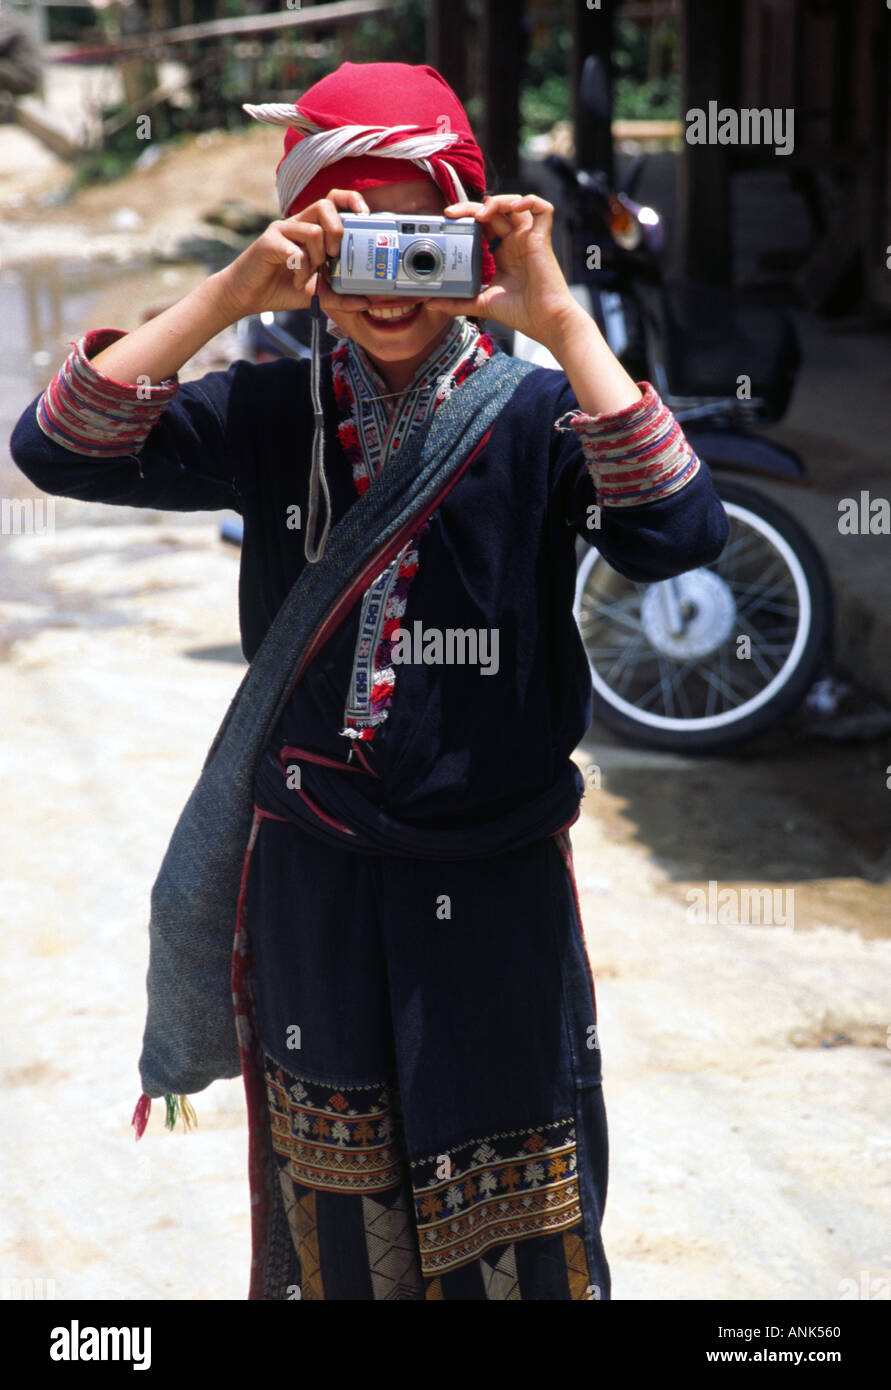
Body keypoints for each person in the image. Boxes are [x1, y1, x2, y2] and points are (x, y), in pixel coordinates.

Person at [10, 61, 729, 1301]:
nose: (388, 282)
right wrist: (236, 287)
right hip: (315, 882)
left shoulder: (539, 416)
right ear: (304, 246)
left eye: (420, 235)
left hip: (491, 884)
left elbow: (678, 532)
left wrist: (560, 317)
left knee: (518, 1222)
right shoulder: (266, 411)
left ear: (468, 235)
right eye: (353, 237)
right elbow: (57, 446)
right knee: (341, 1224)